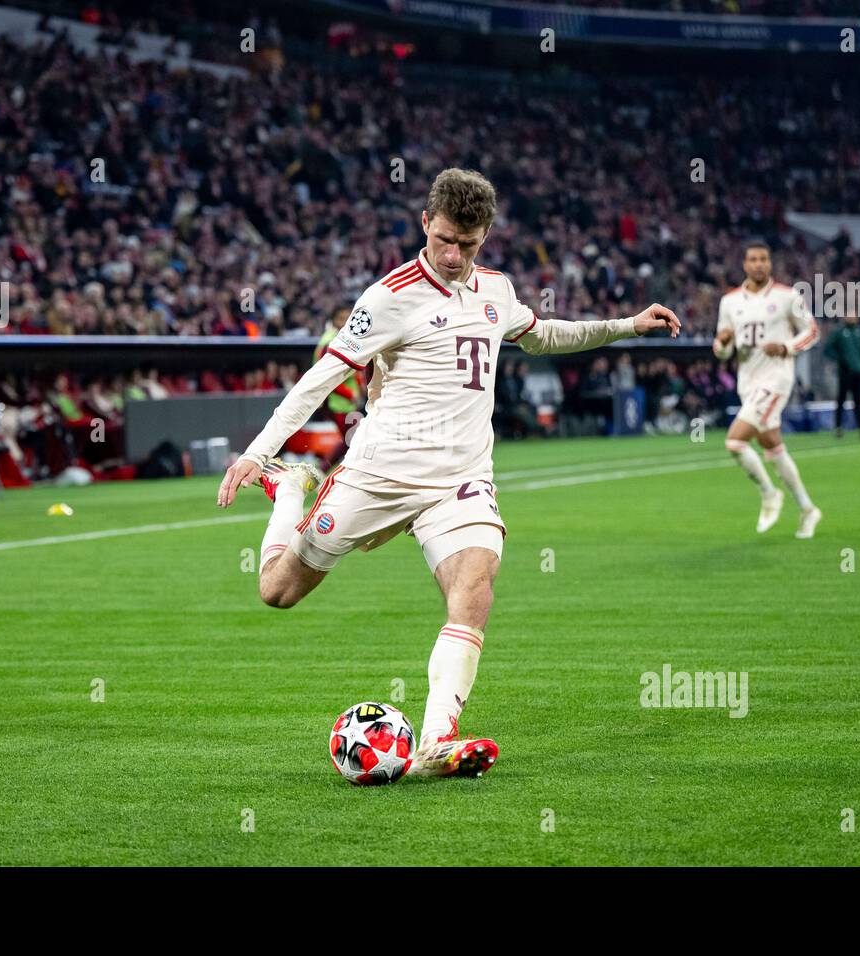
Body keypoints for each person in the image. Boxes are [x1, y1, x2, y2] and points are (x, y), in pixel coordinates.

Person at [217, 168, 680, 779]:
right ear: (425, 225)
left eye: (468, 243)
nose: (454, 255)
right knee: (277, 592)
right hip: (378, 473)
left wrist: (624, 326)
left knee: (474, 586)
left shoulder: (495, 288)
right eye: (444, 241)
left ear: (484, 236)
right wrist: (259, 452)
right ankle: (290, 491)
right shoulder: (389, 297)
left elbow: (542, 336)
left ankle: (437, 737)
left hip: (459, 481)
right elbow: (321, 378)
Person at [713, 241, 822, 538]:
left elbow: (811, 331)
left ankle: (769, 493)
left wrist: (786, 347)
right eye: (753, 259)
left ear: (770, 263)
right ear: (745, 264)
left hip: (775, 380)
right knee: (773, 448)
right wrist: (722, 343)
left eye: (764, 258)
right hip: (747, 381)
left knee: (735, 443)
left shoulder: (788, 296)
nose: (759, 264)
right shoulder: (730, 301)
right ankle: (808, 508)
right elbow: (722, 351)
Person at [314, 304, 365, 466]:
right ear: (333, 320)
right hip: (337, 402)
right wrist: (351, 394)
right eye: (341, 319)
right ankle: (324, 469)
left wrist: (359, 384)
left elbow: (351, 369)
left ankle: (324, 470)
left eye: (348, 318)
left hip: (344, 402)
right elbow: (328, 378)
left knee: (353, 440)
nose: (345, 323)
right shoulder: (330, 343)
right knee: (355, 440)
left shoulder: (340, 339)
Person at [823, 312, 860, 437]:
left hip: (859, 371)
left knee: (858, 401)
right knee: (841, 400)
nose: (851, 318)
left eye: (853, 315)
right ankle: (838, 427)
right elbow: (827, 349)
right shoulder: (839, 332)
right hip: (845, 372)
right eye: (849, 315)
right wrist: (840, 359)